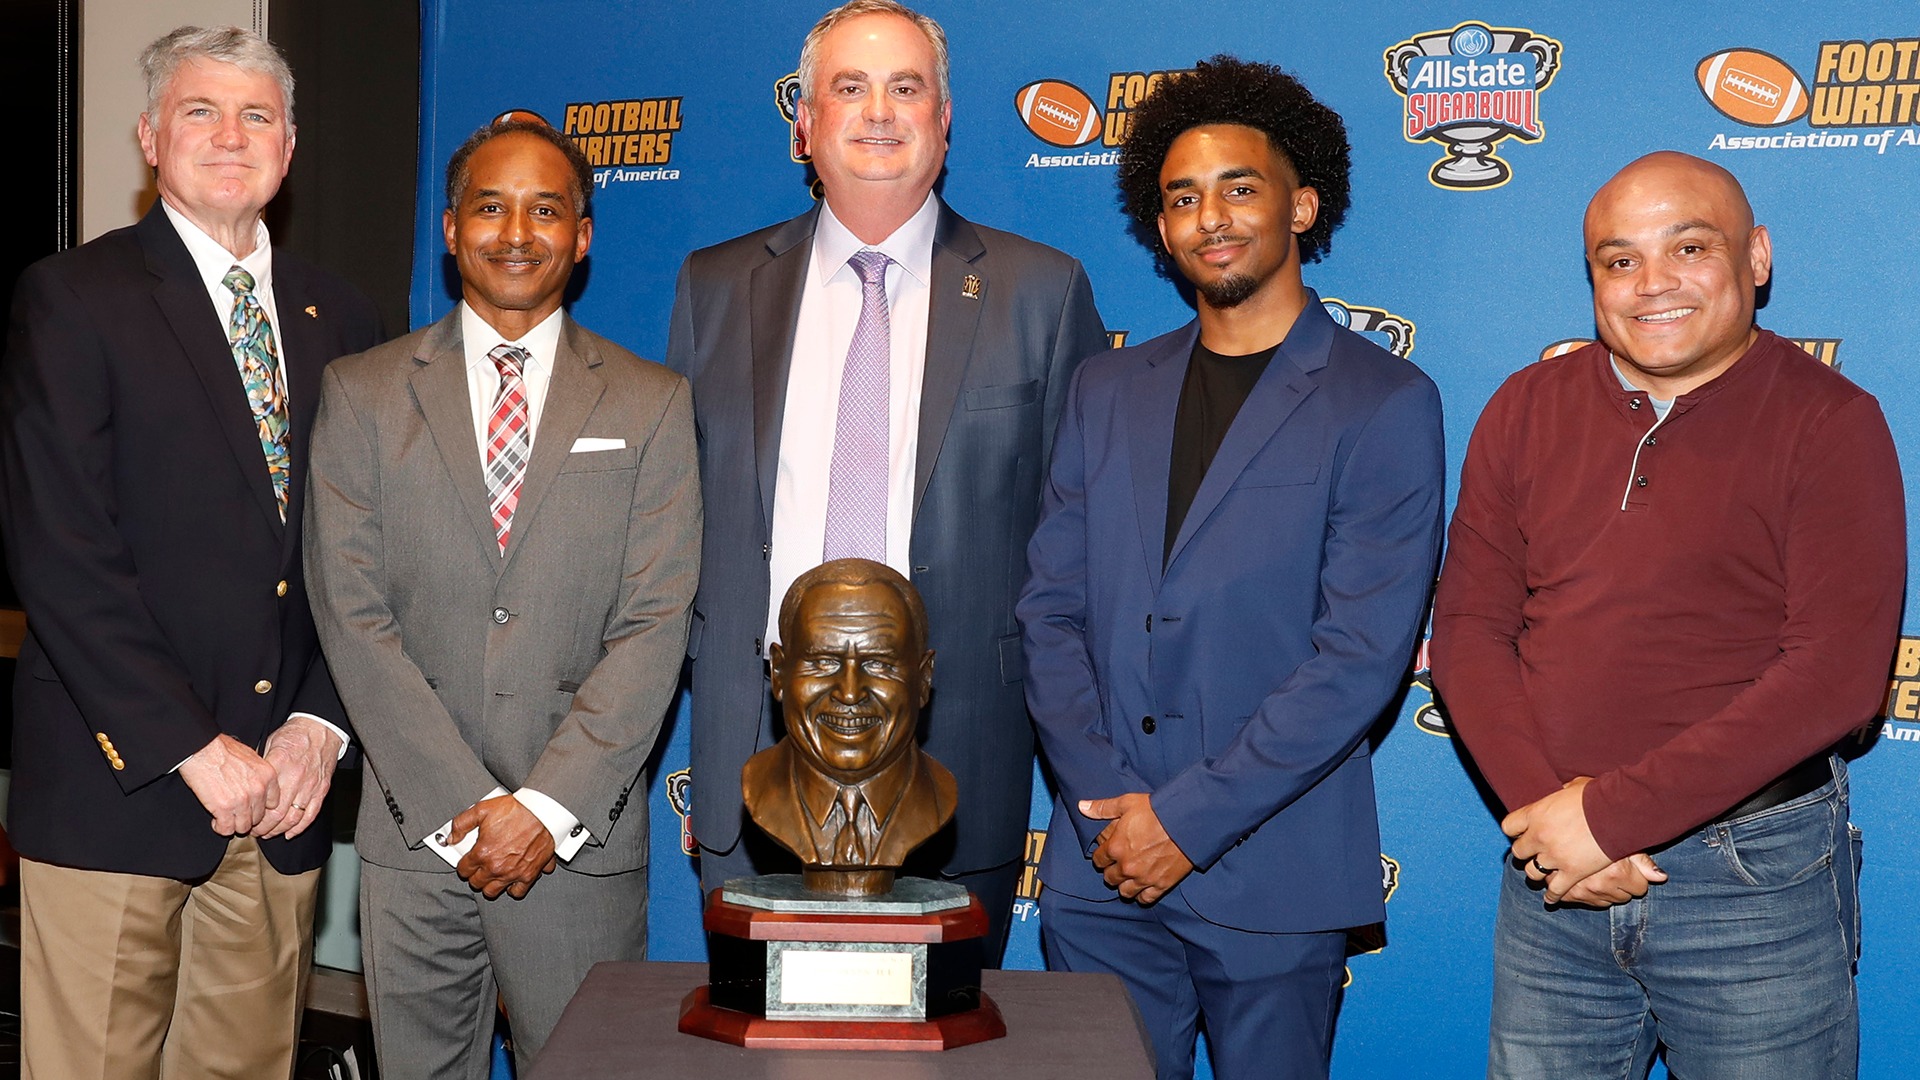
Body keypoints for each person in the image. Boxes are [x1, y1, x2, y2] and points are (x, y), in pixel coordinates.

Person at [1431, 151, 1903, 1080]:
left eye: (1690, 247)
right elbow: (1470, 633)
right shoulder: (1525, 407)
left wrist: (1604, 819)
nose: (1653, 285)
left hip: (1751, 885)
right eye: (1619, 260)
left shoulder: (1831, 422)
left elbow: (1836, 680)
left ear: (1756, 257)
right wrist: (1551, 822)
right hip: (1554, 878)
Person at [1018, 56, 1445, 1080]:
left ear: (1302, 206)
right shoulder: (1106, 389)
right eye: (1181, 197)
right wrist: (1113, 808)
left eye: (1238, 187)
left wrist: (1186, 821)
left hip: (1276, 875)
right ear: (1158, 227)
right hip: (1100, 874)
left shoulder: (1382, 401)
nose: (1210, 216)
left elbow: (1359, 659)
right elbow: (1049, 611)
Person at [667, 0, 1107, 959]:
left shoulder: (1042, 290)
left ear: (944, 121)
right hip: (757, 764)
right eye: (849, 88)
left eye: (906, 88)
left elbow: (1079, 547)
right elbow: (678, 523)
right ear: (804, 124)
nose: (878, 112)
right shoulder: (714, 286)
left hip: (960, 765)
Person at [0, 25, 381, 1078]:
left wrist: (317, 725)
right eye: (200, 112)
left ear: (290, 147)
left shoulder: (342, 319)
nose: (230, 135)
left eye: (257, 114)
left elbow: (365, 557)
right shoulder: (74, 299)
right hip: (117, 794)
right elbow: (61, 553)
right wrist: (191, 746)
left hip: (285, 803)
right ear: (149, 138)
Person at [304, 118, 699, 1077]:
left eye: (546, 209)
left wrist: (544, 809)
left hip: (577, 849)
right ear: (449, 228)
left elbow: (655, 624)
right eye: (490, 206)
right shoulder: (360, 393)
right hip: (415, 840)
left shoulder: (652, 403)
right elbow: (351, 616)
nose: (516, 231)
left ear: (584, 235)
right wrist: (467, 805)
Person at [743, 558, 954, 889]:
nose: (851, 692)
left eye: (879, 664)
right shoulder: (759, 790)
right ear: (780, 674)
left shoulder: (938, 798)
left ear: (923, 679)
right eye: (824, 661)